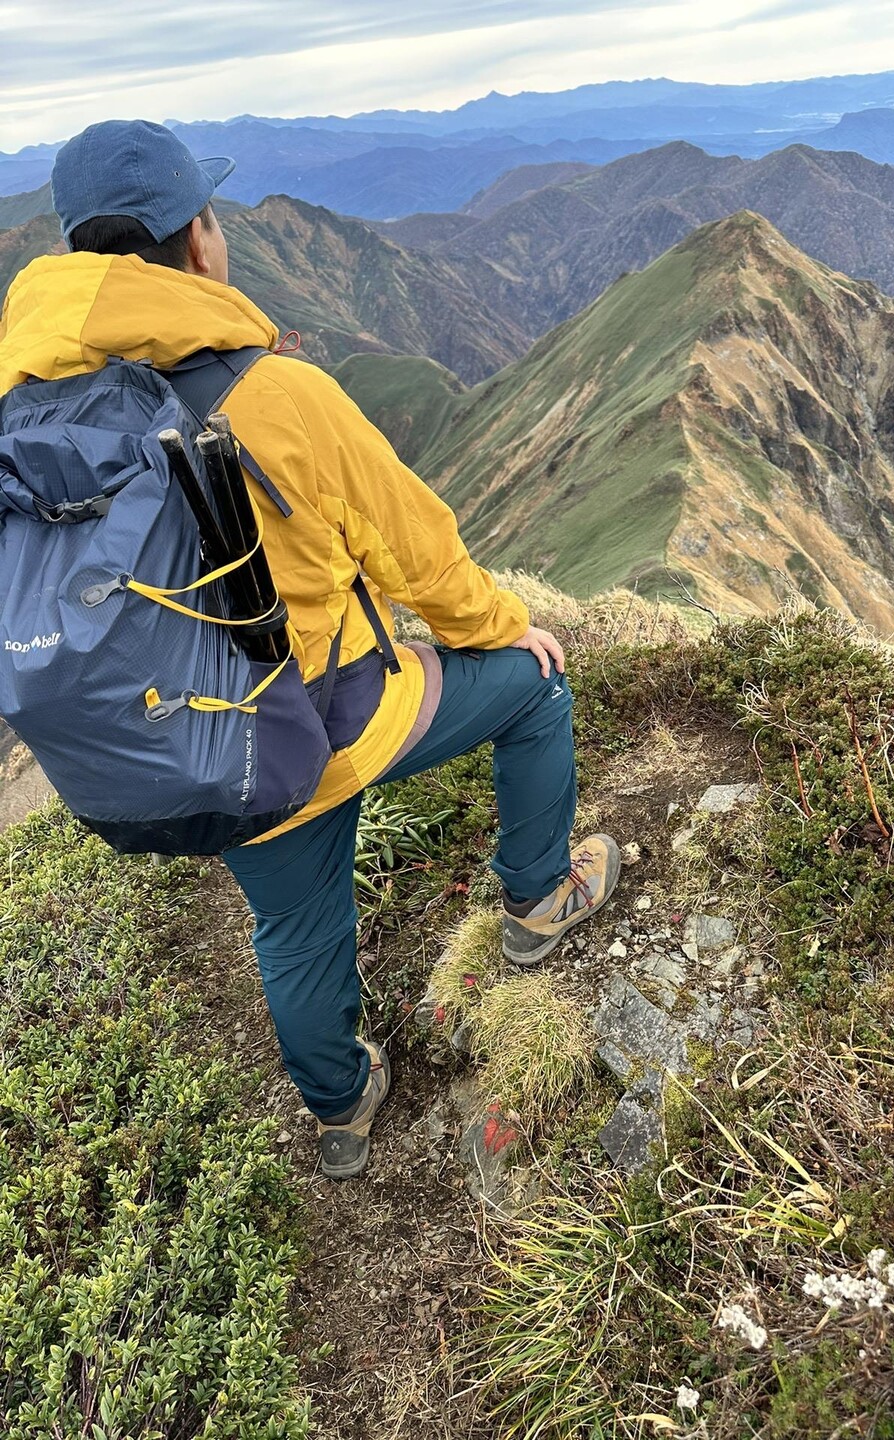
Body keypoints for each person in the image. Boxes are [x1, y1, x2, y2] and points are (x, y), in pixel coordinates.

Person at [0, 119, 621, 1180]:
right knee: (534, 692)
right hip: (322, 718)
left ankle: (342, 1112)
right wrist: (509, 631)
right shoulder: (279, 394)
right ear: (197, 240)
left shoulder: (22, 410)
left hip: (182, 744)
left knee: (292, 920)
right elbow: (423, 559)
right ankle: (537, 900)